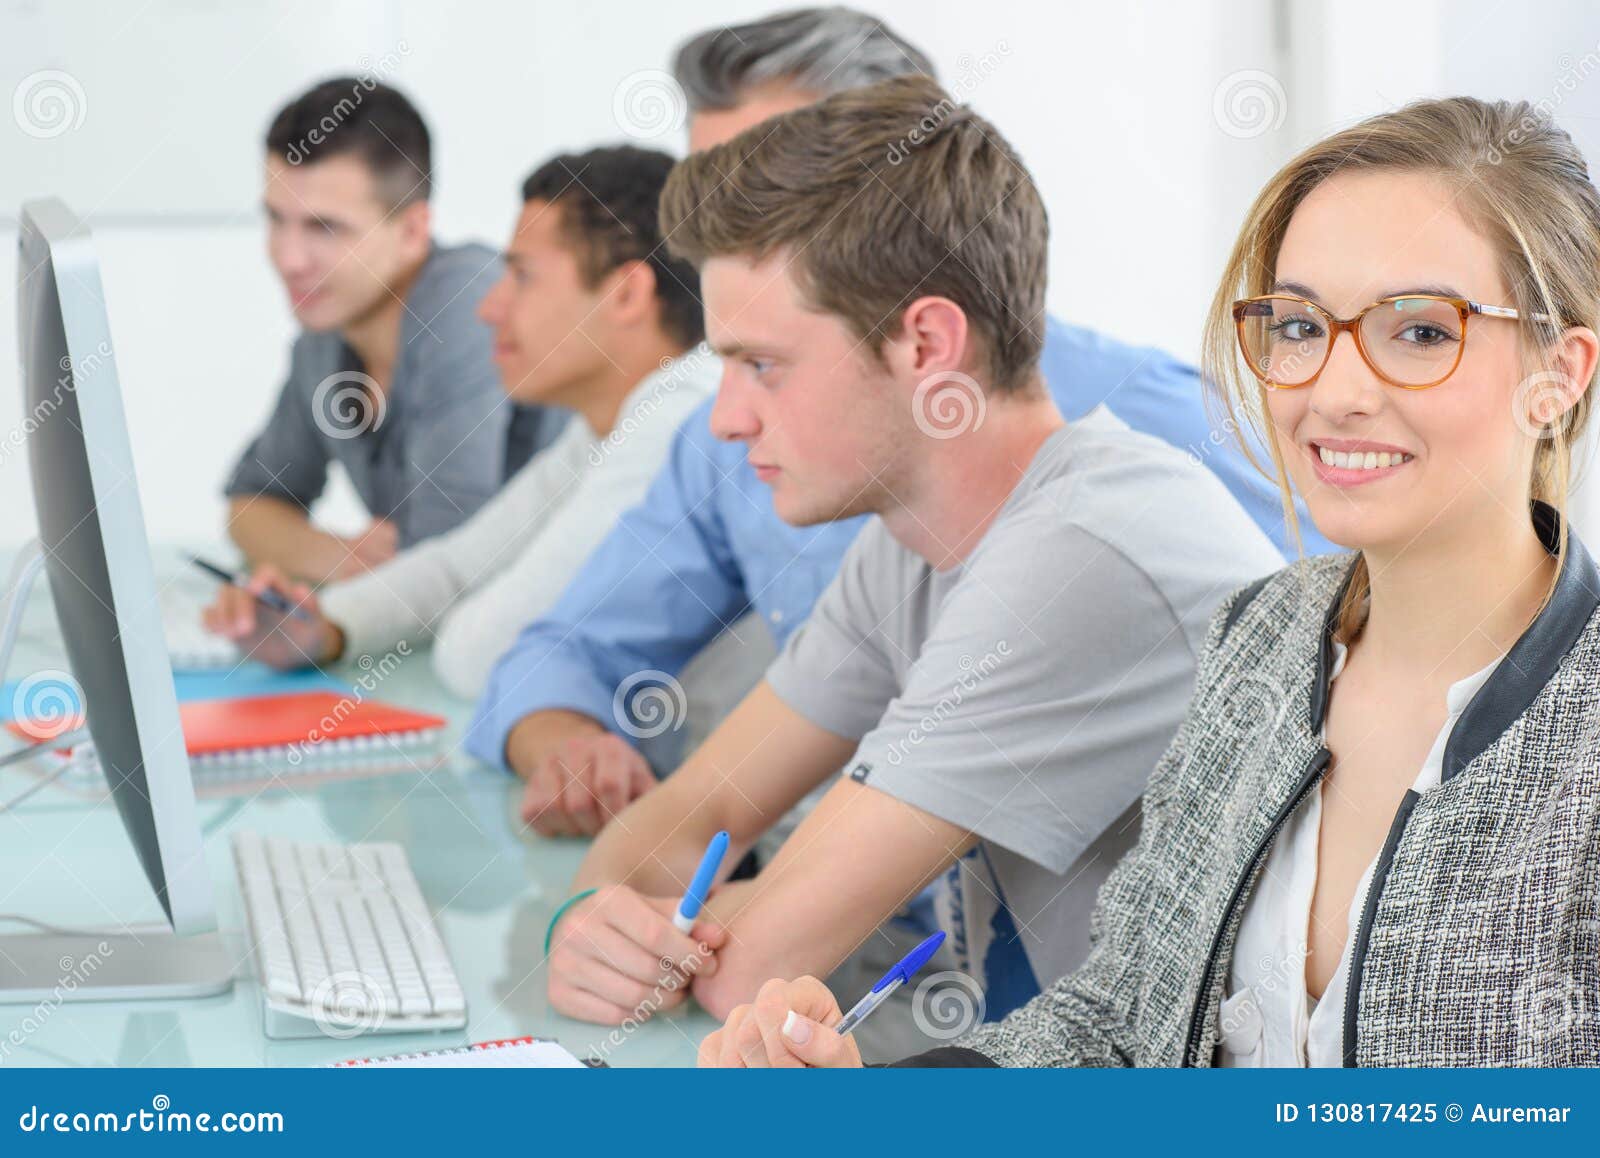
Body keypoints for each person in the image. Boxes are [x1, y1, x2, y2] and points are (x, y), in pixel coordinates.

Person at [700, 95, 1600, 1069]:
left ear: (1558, 372)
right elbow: (1126, 1013)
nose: (1334, 391)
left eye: (1421, 331)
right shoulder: (1261, 636)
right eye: (1299, 327)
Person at [540, 76, 1282, 1034]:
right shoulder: (915, 541)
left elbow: (751, 969)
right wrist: (591, 922)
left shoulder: (1085, 552)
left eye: (761, 364)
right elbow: (672, 832)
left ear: (927, 341)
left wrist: (657, 936)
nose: (727, 418)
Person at [465, 5, 1320, 837]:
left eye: (787, 177)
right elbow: (557, 655)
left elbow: (1331, 658)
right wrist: (571, 746)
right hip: (844, 935)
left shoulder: (1148, 419)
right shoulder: (733, 449)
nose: (732, 238)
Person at [203, 147, 713, 698]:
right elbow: (456, 568)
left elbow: (480, 652)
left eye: (520, 276)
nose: (489, 307)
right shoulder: (599, 429)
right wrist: (324, 626)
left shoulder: (676, 424)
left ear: (627, 294)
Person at [225, 78, 567, 583]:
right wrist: (333, 556)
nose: (289, 258)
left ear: (411, 231)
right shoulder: (326, 334)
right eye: (277, 220)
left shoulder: (469, 303)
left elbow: (442, 566)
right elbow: (250, 507)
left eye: (325, 228)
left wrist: (355, 567)